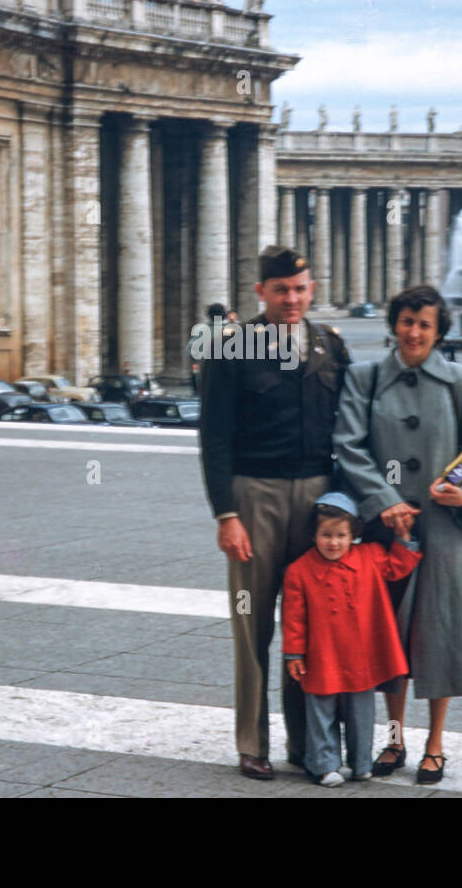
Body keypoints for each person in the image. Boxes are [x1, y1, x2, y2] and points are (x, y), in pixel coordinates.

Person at [334, 285, 462, 784]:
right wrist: (383, 501)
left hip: (444, 532)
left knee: (440, 635)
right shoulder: (363, 378)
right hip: (387, 532)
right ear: (395, 323)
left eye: (424, 324)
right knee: (390, 636)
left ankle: (435, 743)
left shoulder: (461, 382)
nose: (414, 332)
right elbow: (348, 446)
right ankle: (394, 737)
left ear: (438, 331)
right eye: (407, 321)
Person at [198, 246, 350, 780]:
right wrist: (226, 514)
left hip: (315, 500)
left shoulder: (330, 346)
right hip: (254, 496)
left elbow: (348, 431)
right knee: (252, 624)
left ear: (312, 290)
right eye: (281, 289)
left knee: (309, 627)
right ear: (260, 291)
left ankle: (306, 743)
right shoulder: (230, 349)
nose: (292, 299)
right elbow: (213, 438)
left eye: (301, 288)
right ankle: (251, 741)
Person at [282, 493, 421, 786]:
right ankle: (324, 764)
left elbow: (398, 567)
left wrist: (404, 535)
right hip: (321, 655)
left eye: (341, 535)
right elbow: (293, 618)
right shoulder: (299, 570)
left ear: (353, 535)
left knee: (362, 712)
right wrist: (294, 654)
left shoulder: (369, 556)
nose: (333, 542)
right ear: (314, 535)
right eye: (326, 535)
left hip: (362, 656)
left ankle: (360, 763)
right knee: (320, 712)